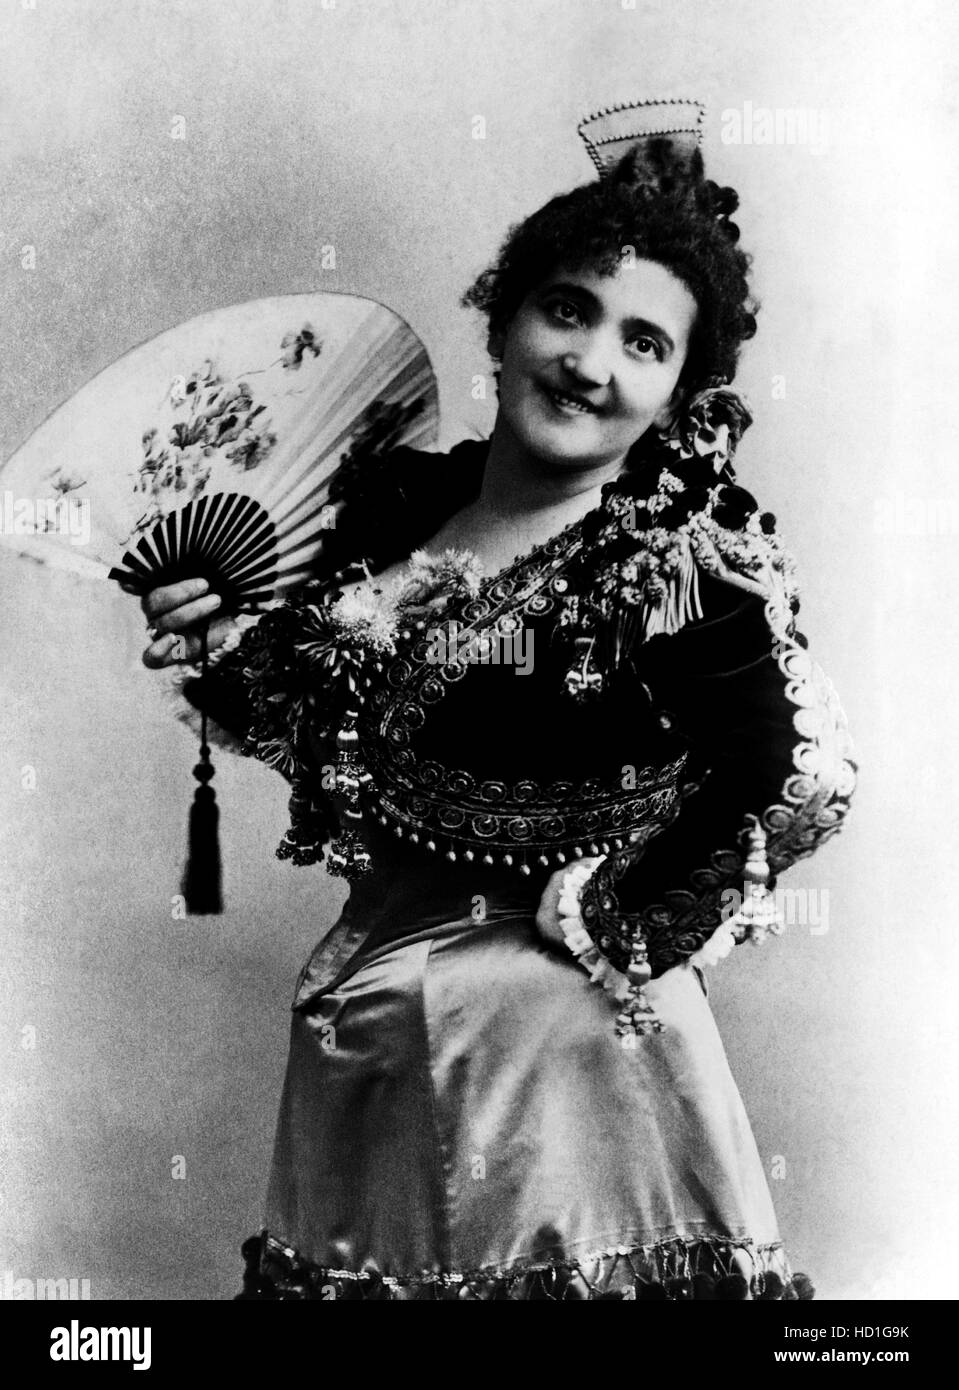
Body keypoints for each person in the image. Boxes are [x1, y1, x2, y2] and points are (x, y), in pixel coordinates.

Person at [141, 116, 856, 1300]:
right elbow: (337, 742)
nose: (589, 363)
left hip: (560, 1052)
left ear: (682, 386)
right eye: (567, 310)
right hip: (365, 1013)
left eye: (643, 342)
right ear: (503, 318)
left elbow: (798, 780)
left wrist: (608, 922)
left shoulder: (670, 562)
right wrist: (217, 644)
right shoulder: (399, 505)